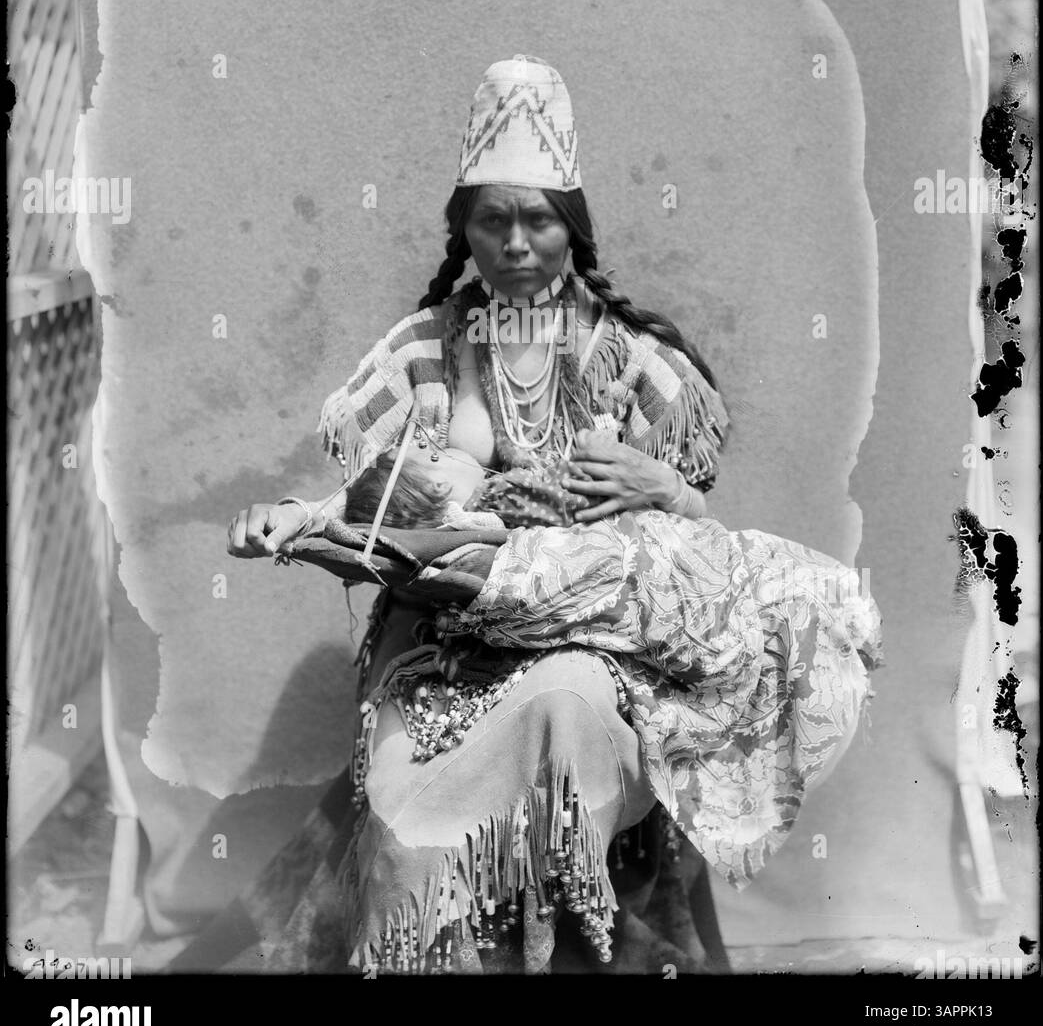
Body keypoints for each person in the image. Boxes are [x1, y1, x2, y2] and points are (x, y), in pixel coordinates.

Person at [222, 55, 878, 975]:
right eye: (493, 220)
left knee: (568, 713)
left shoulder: (635, 360)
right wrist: (290, 517)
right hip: (444, 636)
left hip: (600, 645)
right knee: (416, 820)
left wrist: (666, 490)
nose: (517, 243)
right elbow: (362, 507)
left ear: (572, 227)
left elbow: (691, 541)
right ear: (465, 231)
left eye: (537, 220)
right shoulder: (422, 353)